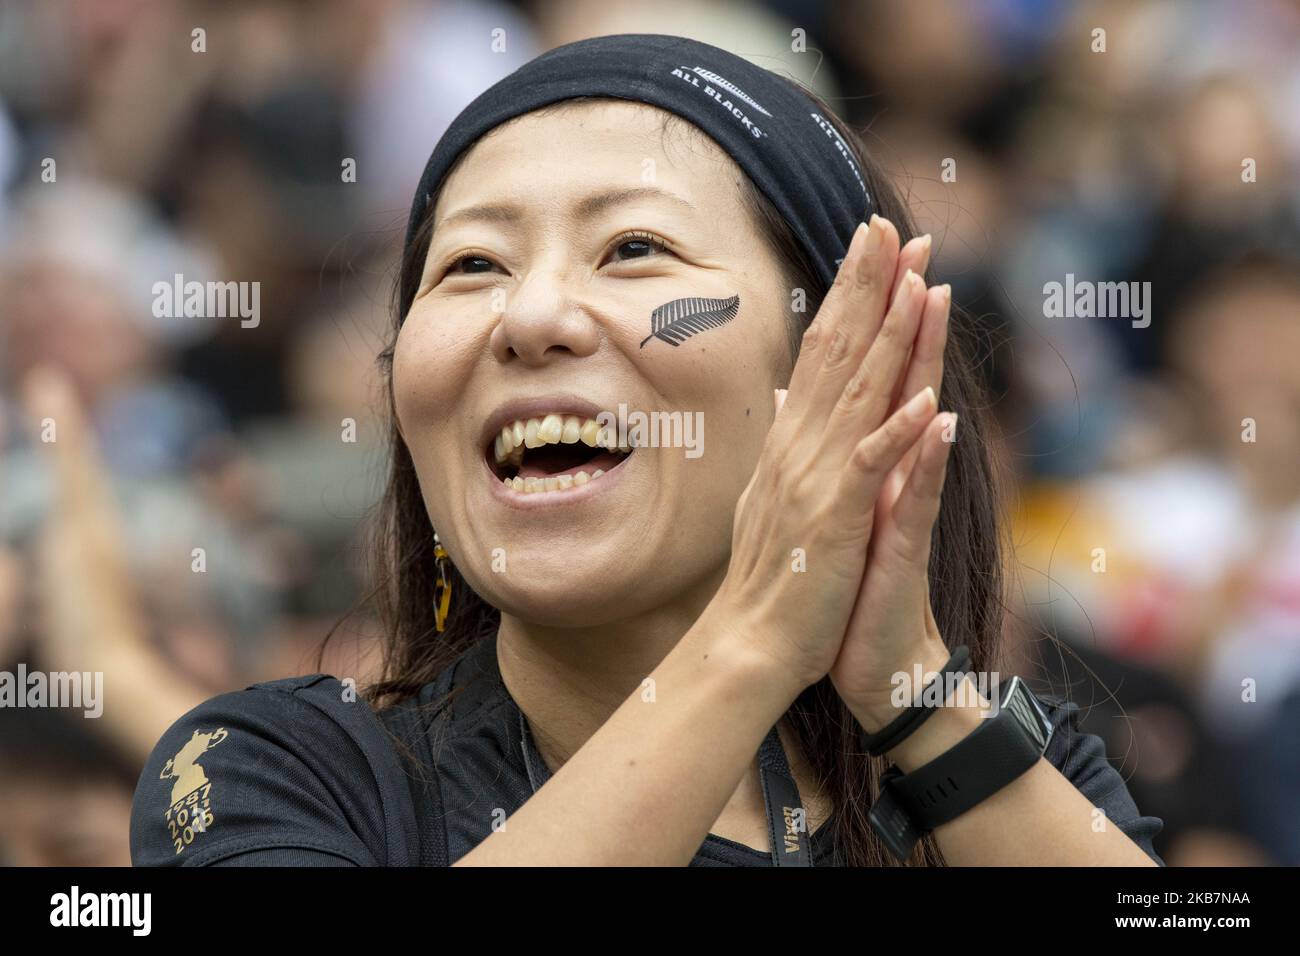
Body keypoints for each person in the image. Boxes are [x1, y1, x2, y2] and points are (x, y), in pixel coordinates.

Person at [130, 34, 1164, 867]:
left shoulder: (1014, 764)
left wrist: (909, 692)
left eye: (633, 248)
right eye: (473, 262)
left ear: (841, 366)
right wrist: (761, 633)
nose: (531, 314)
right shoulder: (280, 771)